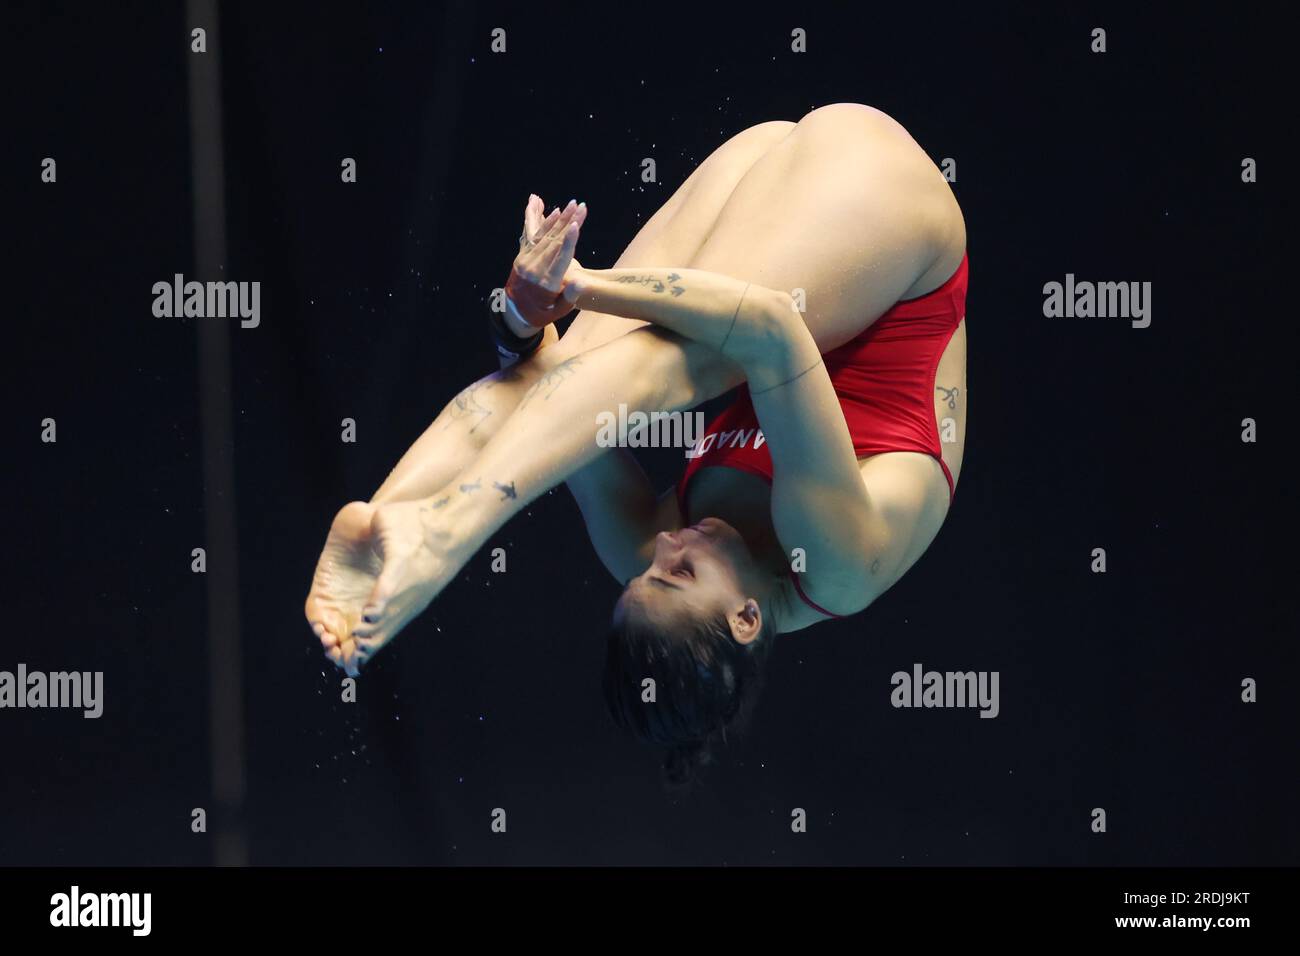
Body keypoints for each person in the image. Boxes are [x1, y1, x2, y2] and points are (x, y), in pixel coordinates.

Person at [305, 102, 968, 783]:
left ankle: (387, 517)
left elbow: (544, 383)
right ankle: (445, 532)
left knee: (580, 372)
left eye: (647, 572)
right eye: (679, 574)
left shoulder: (643, 550)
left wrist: (523, 323)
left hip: (775, 173)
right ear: (745, 618)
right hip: (887, 196)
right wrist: (588, 287)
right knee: (677, 367)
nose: (667, 547)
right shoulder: (834, 563)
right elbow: (770, 326)